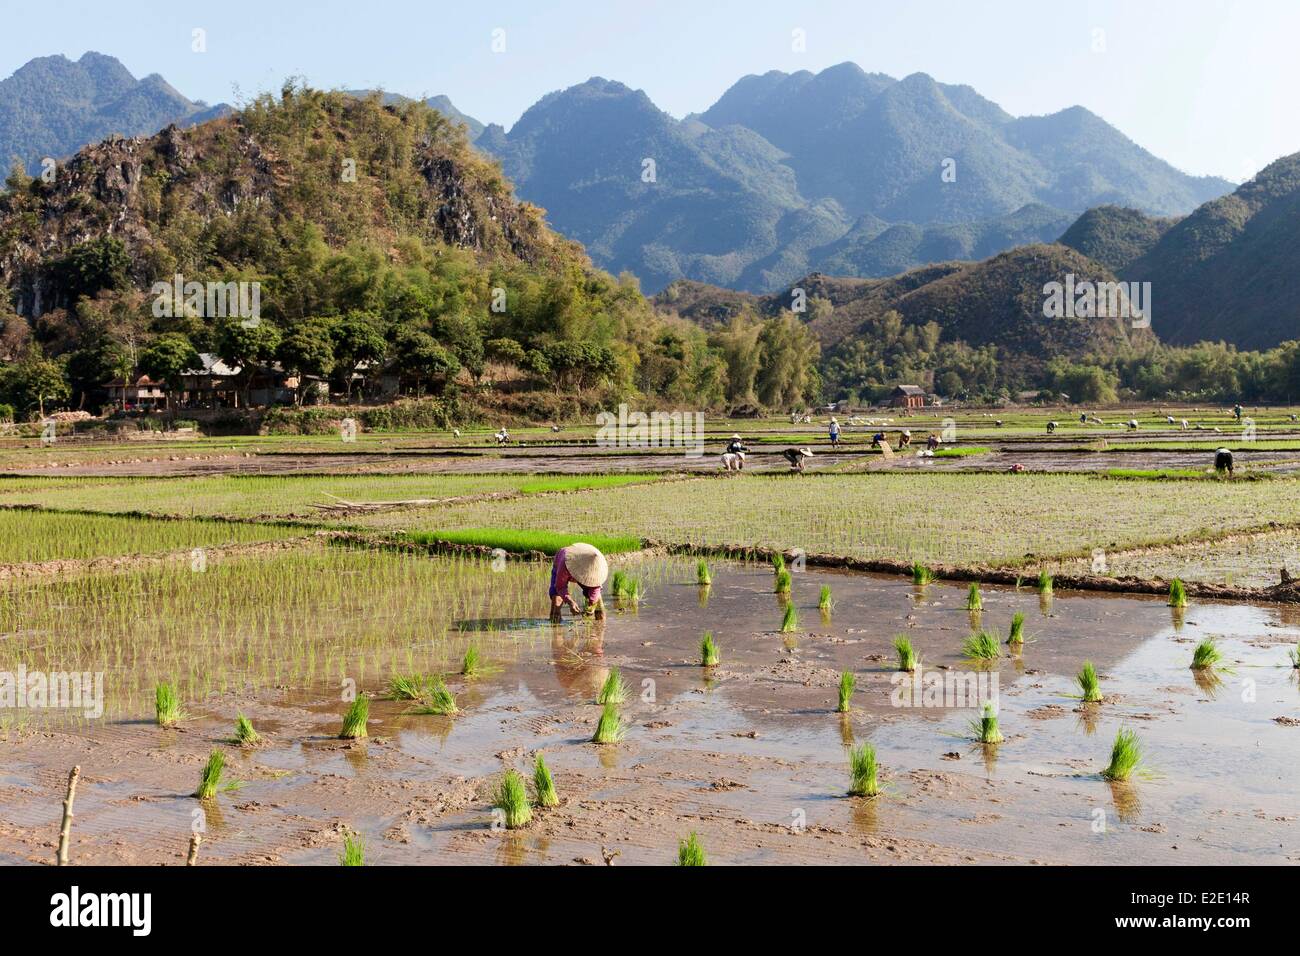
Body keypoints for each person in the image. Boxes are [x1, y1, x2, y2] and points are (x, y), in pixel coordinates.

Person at [549, 542, 608, 622]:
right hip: (562, 564)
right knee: (557, 602)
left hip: (587, 572)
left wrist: (591, 604)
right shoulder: (565, 563)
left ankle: (600, 628)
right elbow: (560, 587)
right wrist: (570, 602)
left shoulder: (595, 571)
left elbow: (595, 589)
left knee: (598, 603)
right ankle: (555, 626)